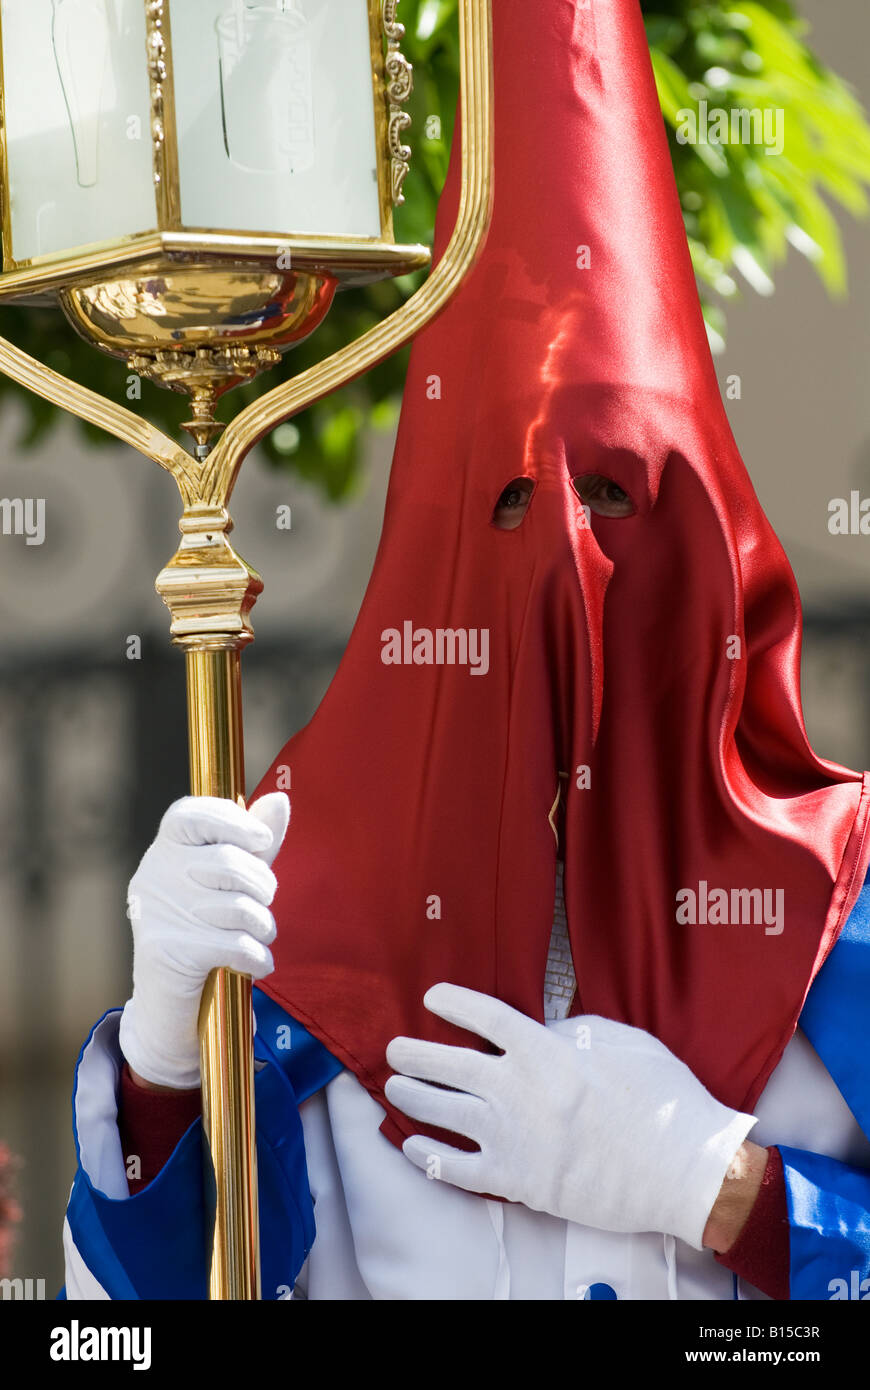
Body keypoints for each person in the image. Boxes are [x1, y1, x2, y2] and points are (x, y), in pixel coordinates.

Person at [62, 0, 870, 1301]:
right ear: (426, 552)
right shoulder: (293, 904)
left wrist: (715, 1183)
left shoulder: (845, 899)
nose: (564, 561)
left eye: (613, 497)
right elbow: (130, 1333)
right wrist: (166, 1056)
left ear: (709, 537)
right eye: (505, 503)